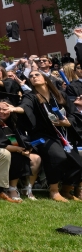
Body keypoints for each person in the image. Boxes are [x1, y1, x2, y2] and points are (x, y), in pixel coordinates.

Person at [21, 70, 81, 202]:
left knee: (78, 162)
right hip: (43, 136)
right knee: (57, 156)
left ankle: (66, 190)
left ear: (45, 79)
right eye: (31, 76)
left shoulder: (60, 95)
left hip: (64, 135)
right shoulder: (30, 96)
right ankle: (53, 191)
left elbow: (73, 113)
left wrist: (68, 122)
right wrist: (15, 109)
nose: (33, 77)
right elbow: (25, 107)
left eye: (37, 75)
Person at [0, 99, 40, 201]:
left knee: (36, 158)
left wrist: (26, 148)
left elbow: (18, 139)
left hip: (14, 149)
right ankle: (11, 189)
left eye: (5, 109)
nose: (1, 111)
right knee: (16, 156)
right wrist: (17, 149)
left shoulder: (12, 121)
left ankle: (27, 188)